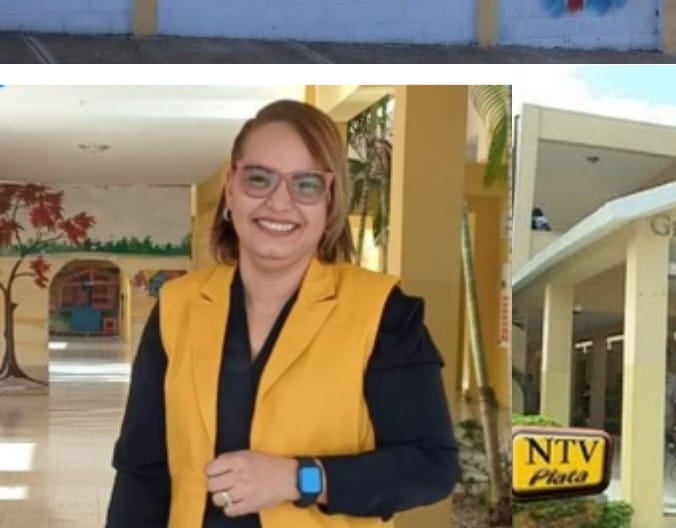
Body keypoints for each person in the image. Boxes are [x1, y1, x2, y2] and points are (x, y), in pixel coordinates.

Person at [105, 99, 459, 528]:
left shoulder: (383, 313)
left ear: (329, 200)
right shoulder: (178, 307)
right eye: (259, 179)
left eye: (305, 185)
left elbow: (429, 466)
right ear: (230, 188)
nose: (279, 202)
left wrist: (301, 478)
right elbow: (142, 473)